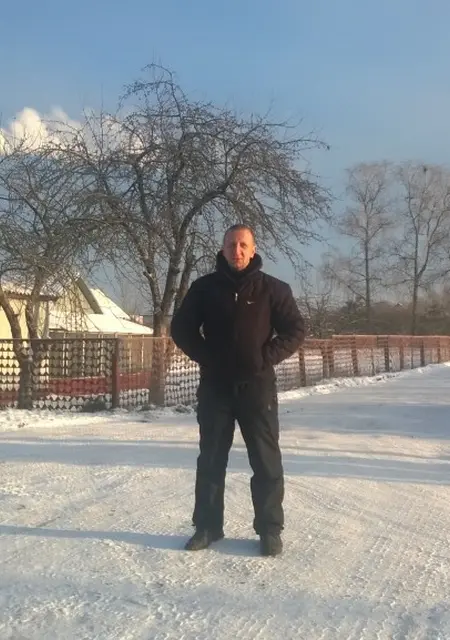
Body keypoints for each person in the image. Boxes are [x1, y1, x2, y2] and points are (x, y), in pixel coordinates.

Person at [170, 224, 305, 556]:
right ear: (223, 249)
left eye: (243, 245)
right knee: (211, 459)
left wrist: (264, 358)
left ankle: (270, 530)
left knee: (266, 461)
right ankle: (207, 527)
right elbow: (182, 329)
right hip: (215, 388)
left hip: (257, 388)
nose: (237, 250)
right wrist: (208, 357)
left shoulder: (273, 289)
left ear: (253, 249)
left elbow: (295, 330)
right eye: (231, 244)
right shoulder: (204, 288)